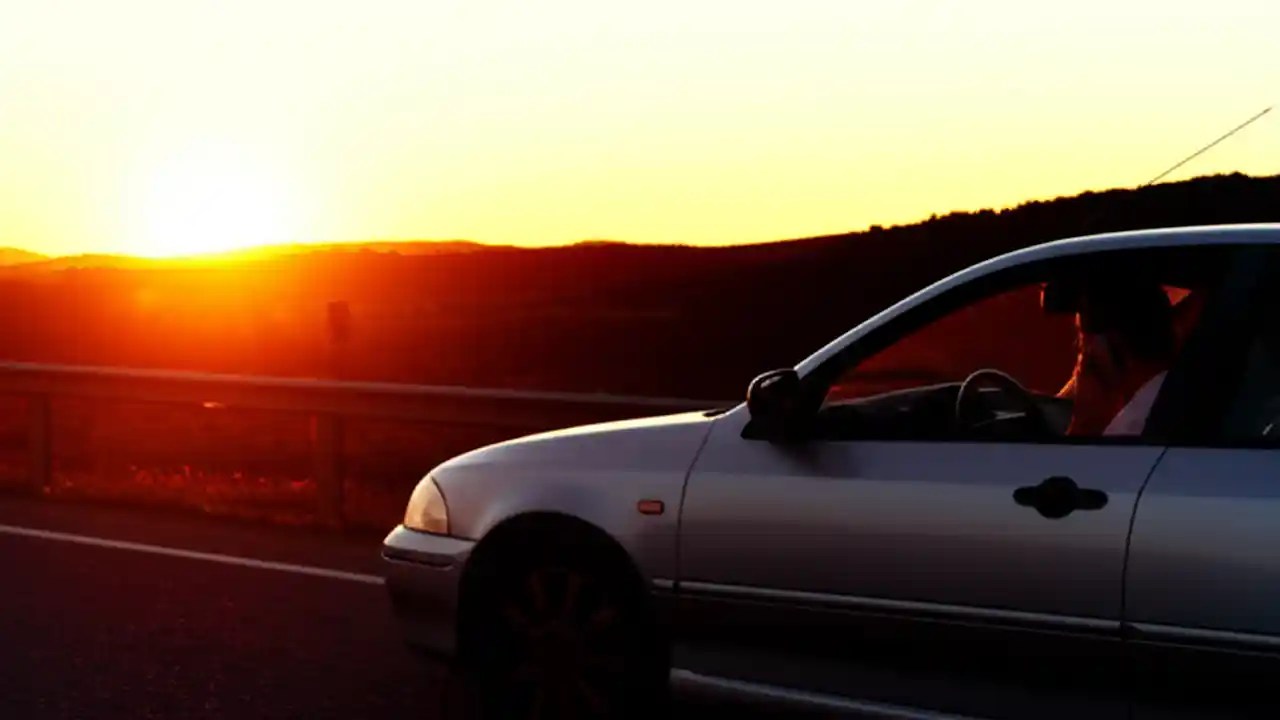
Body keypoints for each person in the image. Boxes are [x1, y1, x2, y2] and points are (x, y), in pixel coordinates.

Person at [1057, 281, 1179, 436]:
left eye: (1082, 350)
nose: (1077, 371)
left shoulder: (1127, 433)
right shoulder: (1196, 400)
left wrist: (1082, 424)